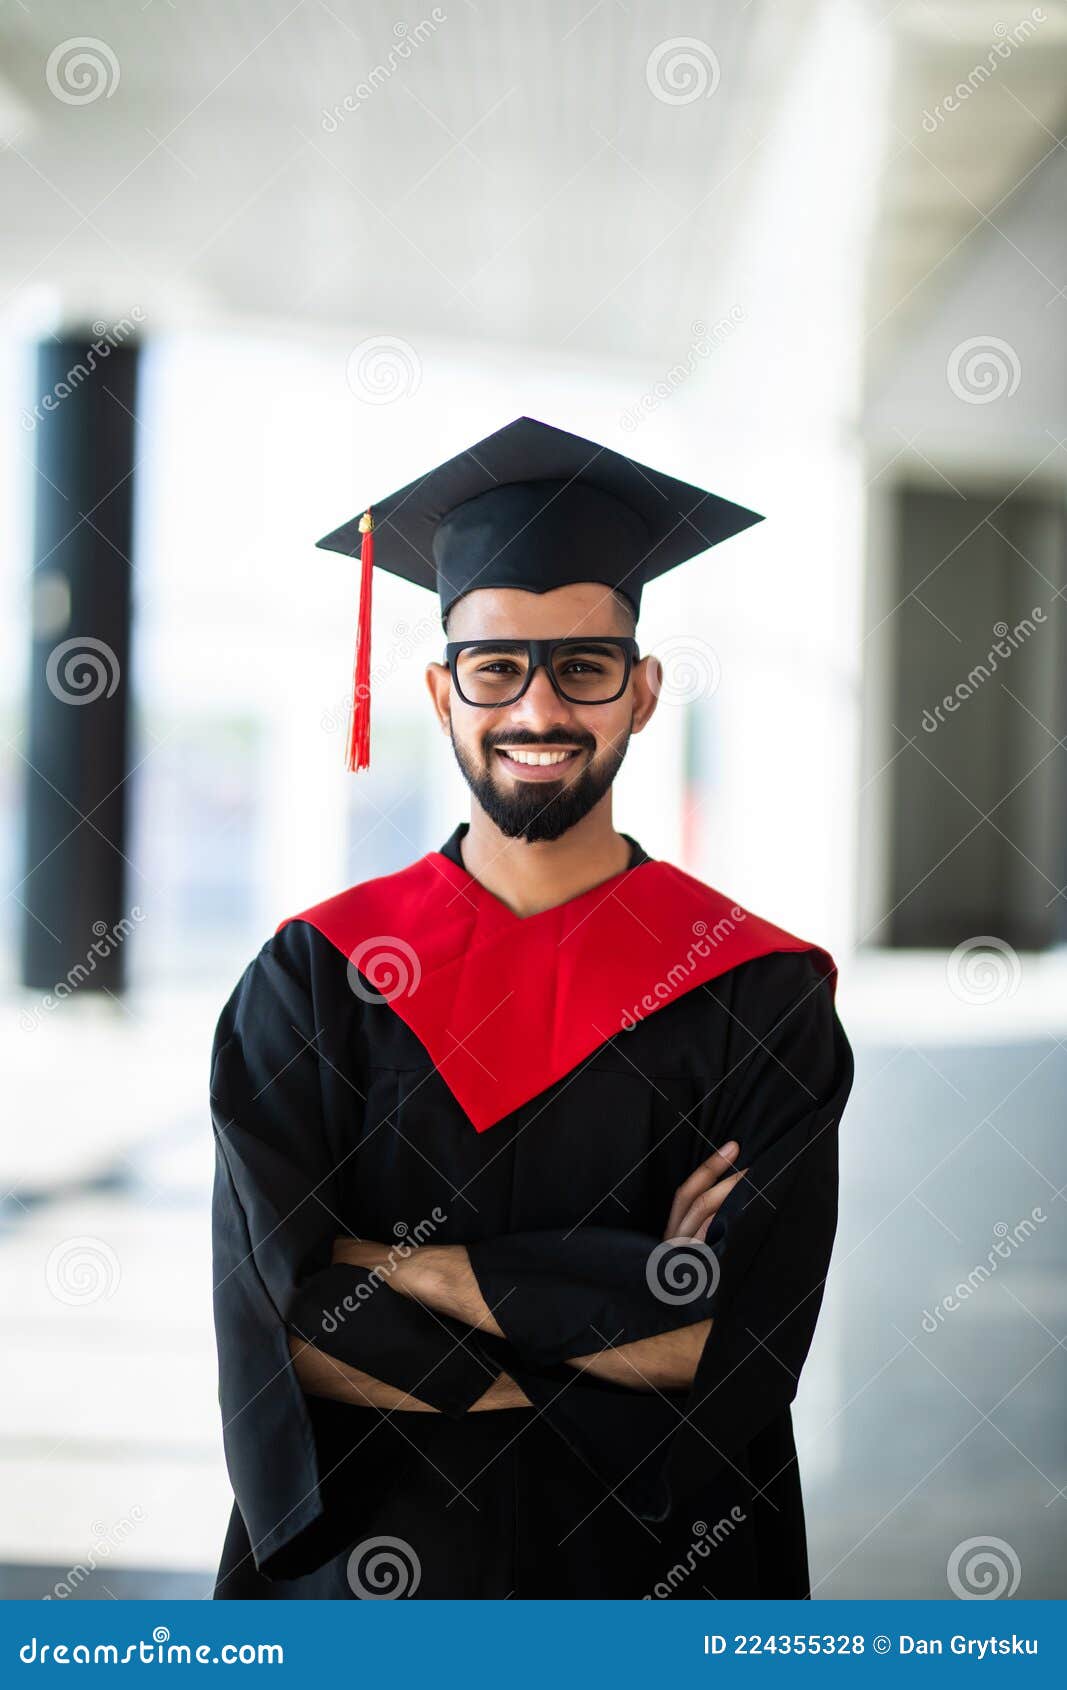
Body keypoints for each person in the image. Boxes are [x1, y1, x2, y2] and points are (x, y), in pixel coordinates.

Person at [210, 416, 854, 1600]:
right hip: (372, 1583)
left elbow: (730, 1344)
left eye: (585, 666)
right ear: (439, 690)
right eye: (495, 666)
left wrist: (399, 1269)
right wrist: (612, 1305)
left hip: (663, 1573)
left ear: (643, 691)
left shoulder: (759, 994)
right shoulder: (312, 981)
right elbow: (285, 1333)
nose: (538, 710)